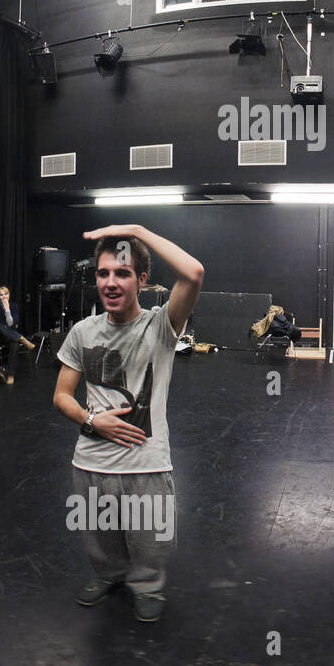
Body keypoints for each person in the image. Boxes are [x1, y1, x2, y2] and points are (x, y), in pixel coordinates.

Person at [52, 225, 204, 624]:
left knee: (150, 540)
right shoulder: (82, 332)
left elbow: (193, 273)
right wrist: (91, 419)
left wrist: (136, 231)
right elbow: (62, 396)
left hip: (146, 463)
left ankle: (147, 585)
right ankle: (111, 576)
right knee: (99, 539)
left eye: (122, 273)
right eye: (103, 273)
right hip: (91, 460)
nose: (111, 282)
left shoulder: (161, 327)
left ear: (141, 279)